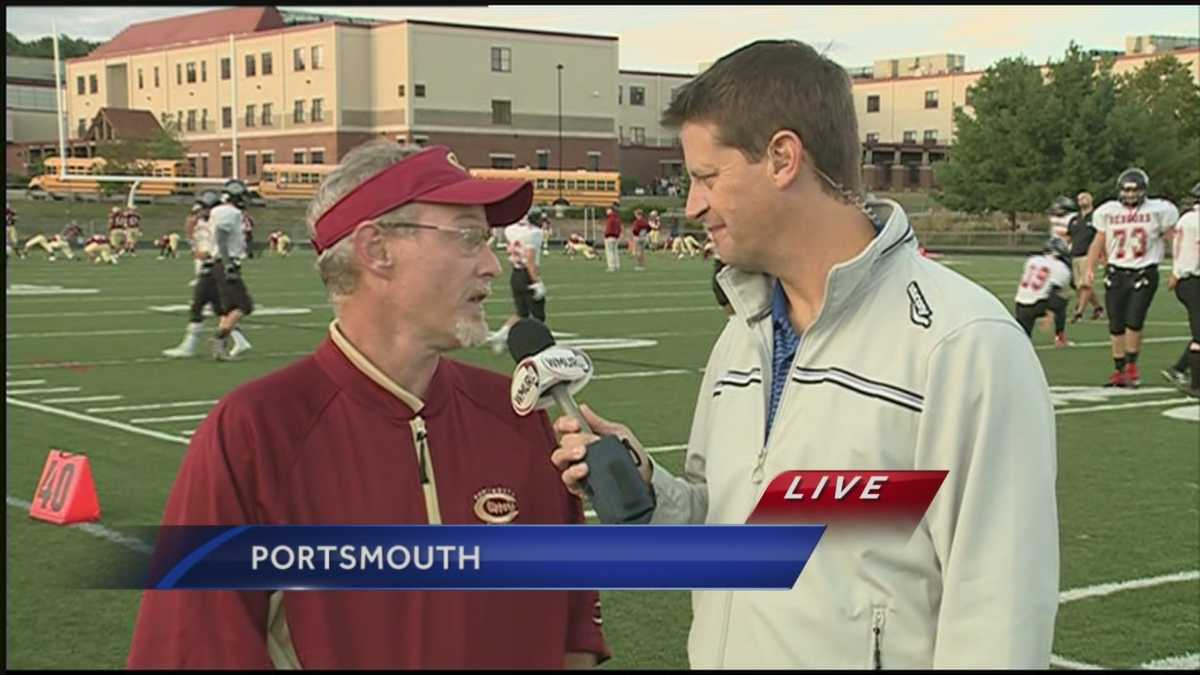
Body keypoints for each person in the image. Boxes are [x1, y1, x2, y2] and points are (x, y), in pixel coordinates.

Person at [549, 39, 1058, 669]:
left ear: (783, 158)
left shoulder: (962, 343)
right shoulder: (743, 334)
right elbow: (730, 526)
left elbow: (997, 612)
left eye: (708, 177)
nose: (691, 206)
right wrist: (652, 492)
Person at [127, 141, 610, 669]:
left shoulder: (517, 418)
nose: (493, 265)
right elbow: (193, 647)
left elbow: (572, 626)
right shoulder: (256, 431)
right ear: (376, 248)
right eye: (470, 237)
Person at [1083, 168, 1180, 388]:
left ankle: (1131, 368)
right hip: (1116, 271)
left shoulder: (1158, 210)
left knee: (1134, 321)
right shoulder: (1108, 210)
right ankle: (1118, 370)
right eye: (1126, 190)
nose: (1130, 194)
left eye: (1134, 190)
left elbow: (1172, 239)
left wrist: (1178, 266)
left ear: (1144, 190)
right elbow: (1099, 240)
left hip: (1144, 270)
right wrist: (1089, 267)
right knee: (1116, 323)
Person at [163, 191, 245, 359]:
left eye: (204, 209)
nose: (201, 212)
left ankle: (193, 345)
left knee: (206, 305)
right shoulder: (205, 222)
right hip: (212, 265)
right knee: (218, 308)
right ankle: (238, 340)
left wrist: (206, 253)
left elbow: (217, 245)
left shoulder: (220, 220)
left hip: (215, 265)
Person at [485, 209, 547, 354]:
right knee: (538, 316)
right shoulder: (535, 234)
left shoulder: (511, 230)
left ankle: (500, 335)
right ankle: (535, 345)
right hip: (527, 275)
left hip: (516, 274)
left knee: (521, 313)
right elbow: (530, 259)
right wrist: (537, 281)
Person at [208, 179, 256, 360]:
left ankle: (221, 348)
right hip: (226, 262)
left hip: (220, 262)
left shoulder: (219, 211)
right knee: (245, 306)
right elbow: (221, 238)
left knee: (229, 308)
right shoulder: (230, 212)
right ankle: (219, 339)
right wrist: (228, 264)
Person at [1161, 181, 1200, 397]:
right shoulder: (1195, 220)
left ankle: (1179, 368)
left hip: (1186, 278)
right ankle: (1196, 385)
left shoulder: (1188, 219)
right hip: (1193, 279)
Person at [1014, 237, 1073, 347]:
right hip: (1038, 304)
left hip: (1020, 304)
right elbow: (1054, 293)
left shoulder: (1033, 260)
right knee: (1063, 300)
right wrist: (1050, 314)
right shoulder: (1061, 267)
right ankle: (1060, 337)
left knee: (1024, 338)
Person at [1064, 192, 1103, 322]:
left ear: (1091, 199)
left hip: (1089, 255)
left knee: (1085, 284)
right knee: (1078, 285)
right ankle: (1098, 308)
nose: (1082, 200)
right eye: (1079, 198)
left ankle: (1079, 312)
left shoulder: (1097, 217)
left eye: (1085, 197)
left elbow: (1102, 236)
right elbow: (1068, 237)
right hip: (1075, 255)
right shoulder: (1075, 219)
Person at [603, 204, 622, 271]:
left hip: (610, 236)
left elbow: (608, 228)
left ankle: (611, 266)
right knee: (615, 251)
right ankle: (617, 265)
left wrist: (605, 235)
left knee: (610, 252)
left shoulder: (610, 219)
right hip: (616, 237)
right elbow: (620, 228)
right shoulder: (617, 218)